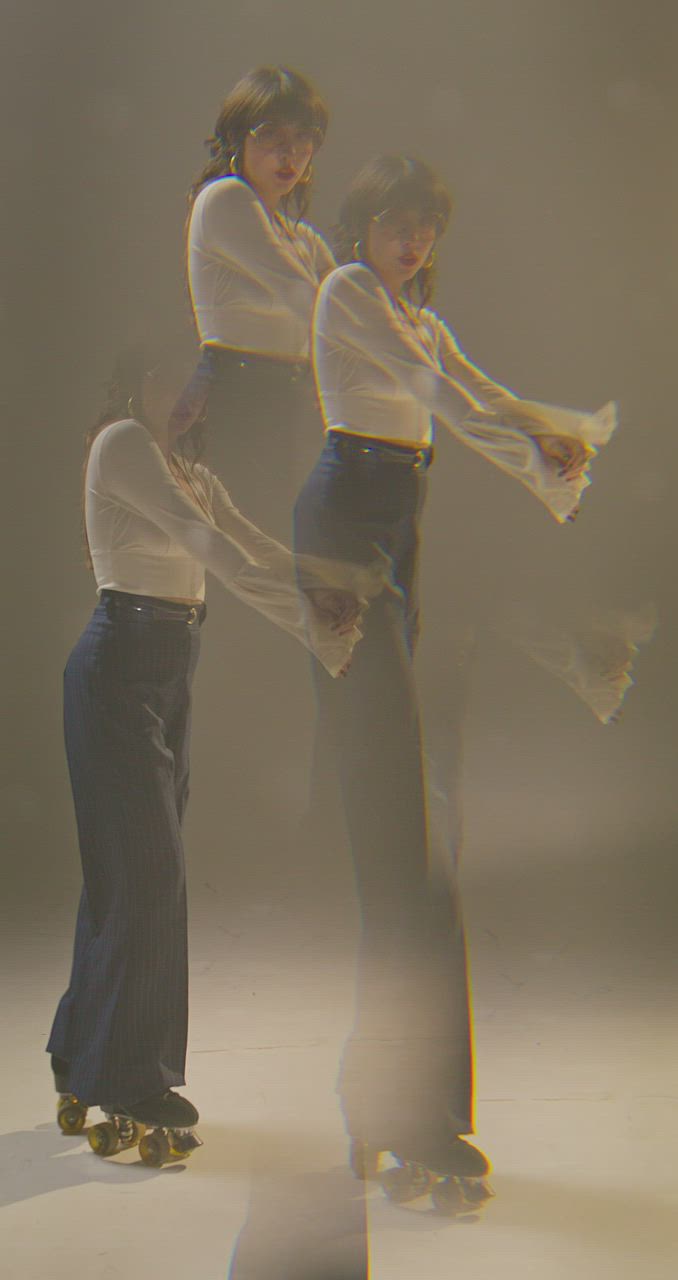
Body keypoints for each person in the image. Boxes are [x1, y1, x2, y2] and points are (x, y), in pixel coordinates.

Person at [294, 155, 615, 1207]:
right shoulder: (349, 294)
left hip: (393, 538)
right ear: (365, 226)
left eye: (427, 229)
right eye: (398, 224)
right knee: (404, 846)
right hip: (344, 541)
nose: (413, 243)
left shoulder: (418, 315)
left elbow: (468, 389)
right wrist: (538, 437)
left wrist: (549, 449)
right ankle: (402, 1109)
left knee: (413, 845)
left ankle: (392, 1103)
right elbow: (441, 398)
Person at [47, 340, 369, 1166]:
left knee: (130, 869)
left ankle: (79, 1048)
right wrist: (310, 618)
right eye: (171, 379)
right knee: (148, 871)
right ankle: (130, 1077)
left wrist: (325, 583)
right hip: (121, 664)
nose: (189, 397)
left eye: (197, 385)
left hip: (167, 669)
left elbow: (252, 543)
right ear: (135, 381)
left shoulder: (189, 467)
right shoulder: (121, 443)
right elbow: (208, 548)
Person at [186, 65, 334, 536]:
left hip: (288, 396)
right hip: (238, 395)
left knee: (287, 548)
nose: (289, 153)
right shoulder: (224, 199)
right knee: (249, 546)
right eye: (270, 134)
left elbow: (354, 314)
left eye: (303, 137)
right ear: (237, 137)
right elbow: (312, 303)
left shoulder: (304, 239)